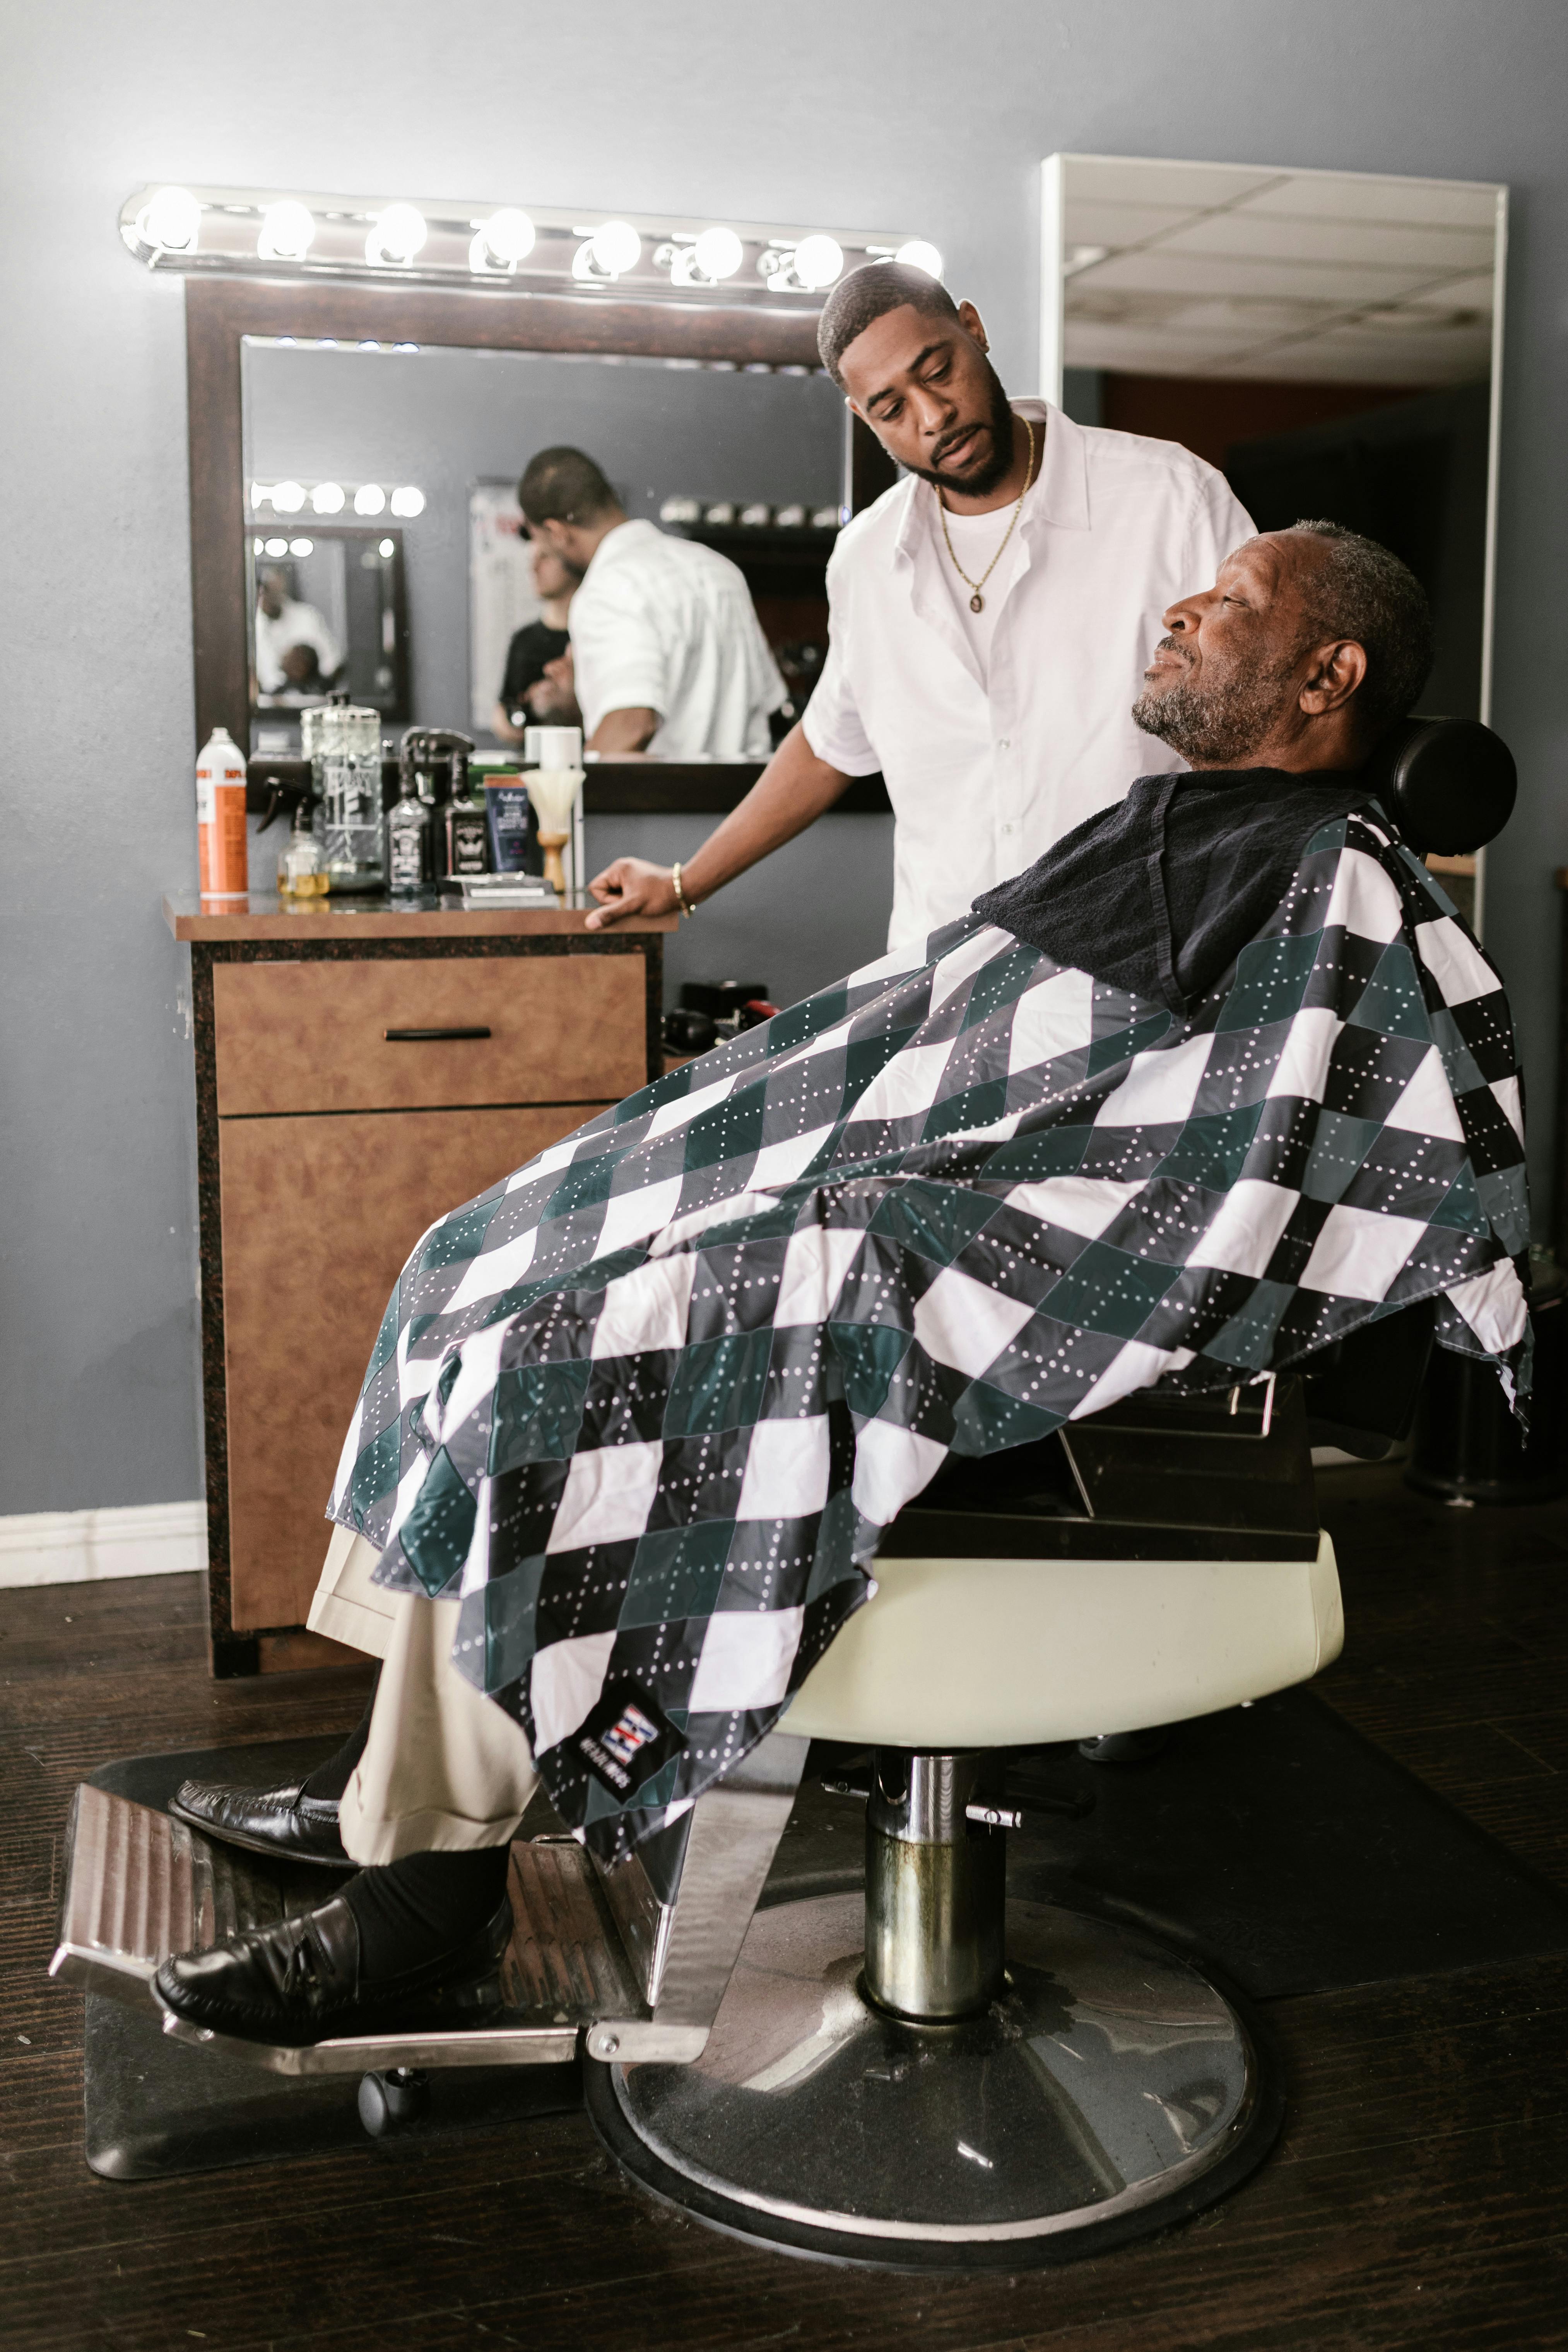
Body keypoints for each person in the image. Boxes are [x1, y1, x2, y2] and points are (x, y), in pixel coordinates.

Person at [158, 523, 1529, 2046]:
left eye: (1234, 599)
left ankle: (431, 1889)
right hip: (917, 1185)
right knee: (475, 1253)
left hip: (1020, 1309)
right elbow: (964, 1032)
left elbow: (1223, 1173)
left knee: (559, 1343)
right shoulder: (1183, 820)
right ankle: (393, 1780)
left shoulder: (1338, 875)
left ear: (1327, 675)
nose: (1183, 605)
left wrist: (872, 1200)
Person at [584, 259, 1255, 944]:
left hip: (1134, 958)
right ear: (861, 416)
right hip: (941, 971)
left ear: (973, 329)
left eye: (937, 371)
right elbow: (826, 747)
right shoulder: (866, 557)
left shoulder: (1171, 497)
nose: (933, 417)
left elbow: (1265, 710)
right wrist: (683, 882)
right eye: (891, 408)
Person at [518, 446, 786, 758]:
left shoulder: (607, 587)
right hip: (745, 787)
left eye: (539, 540)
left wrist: (563, 785)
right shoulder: (719, 569)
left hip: (662, 790)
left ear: (557, 532)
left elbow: (631, 726)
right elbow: (768, 705)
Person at [492, 536, 579, 744]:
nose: (534, 568)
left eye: (545, 557)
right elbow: (504, 709)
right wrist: (512, 725)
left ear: (572, 561)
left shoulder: (595, 638)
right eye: (532, 559)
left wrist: (571, 703)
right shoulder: (523, 641)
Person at [253, 566, 342, 700]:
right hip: (266, 701)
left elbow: (333, 663)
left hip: (310, 696)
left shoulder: (307, 616)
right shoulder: (251, 625)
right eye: (268, 589)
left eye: (278, 589)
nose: (274, 595)